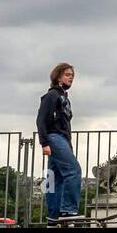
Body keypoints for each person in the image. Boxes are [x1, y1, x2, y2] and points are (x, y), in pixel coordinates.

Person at [36, 62, 82, 224]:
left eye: (72, 76)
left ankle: (53, 217)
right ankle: (68, 210)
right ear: (58, 77)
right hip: (54, 137)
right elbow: (41, 119)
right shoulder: (52, 96)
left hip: (61, 139)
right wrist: (44, 143)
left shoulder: (63, 97)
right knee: (74, 171)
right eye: (67, 75)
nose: (71, 78)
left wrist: (68, 145)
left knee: (55, 178)